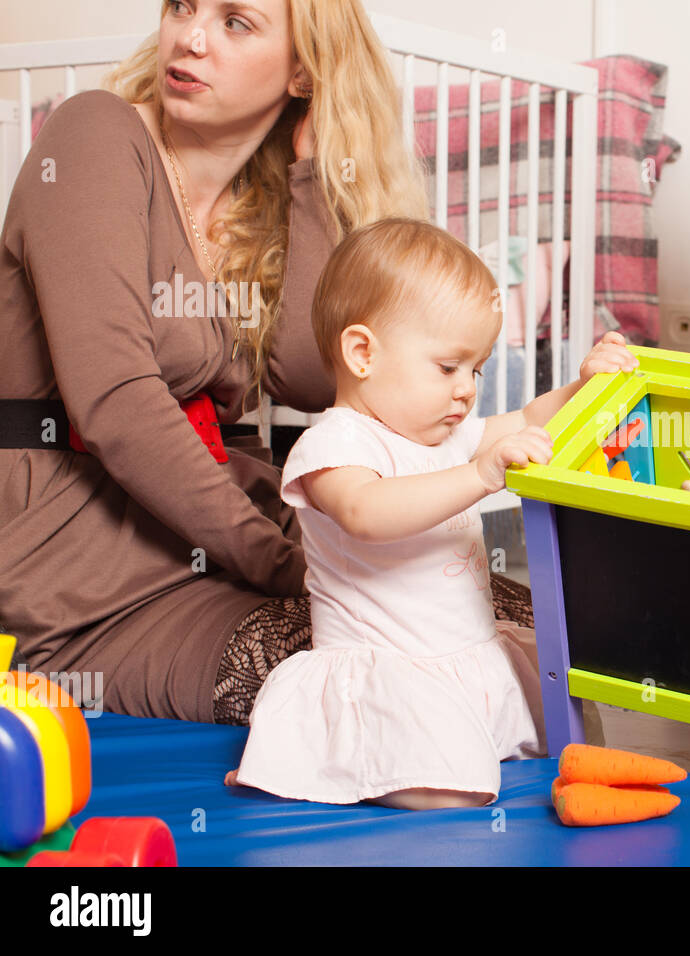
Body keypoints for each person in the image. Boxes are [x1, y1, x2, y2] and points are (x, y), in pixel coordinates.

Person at [0, 0, 485, 726]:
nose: (189, 37)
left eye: (236, 21)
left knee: (506, 624)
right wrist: (285, 565)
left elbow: (314, 379)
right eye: (182, 7)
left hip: (218, 529)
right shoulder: (94, 133)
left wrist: (316, 173)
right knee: (384, 680)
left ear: (302, 69)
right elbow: (116, 404)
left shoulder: (265, 204)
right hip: (80, 567)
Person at [224, 219, 634, 808]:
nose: (467, 389)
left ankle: (435, 750)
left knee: (567, 726)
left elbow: (526, 420)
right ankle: (339, 759)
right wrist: (479, 475)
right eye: (448, 368)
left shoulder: (446, 435)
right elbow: (367, 512)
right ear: (362, 353)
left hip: (466, 651)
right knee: (454, 789)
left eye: (477, 369)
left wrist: (582, 388)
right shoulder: (335, 445)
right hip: (389, 666)